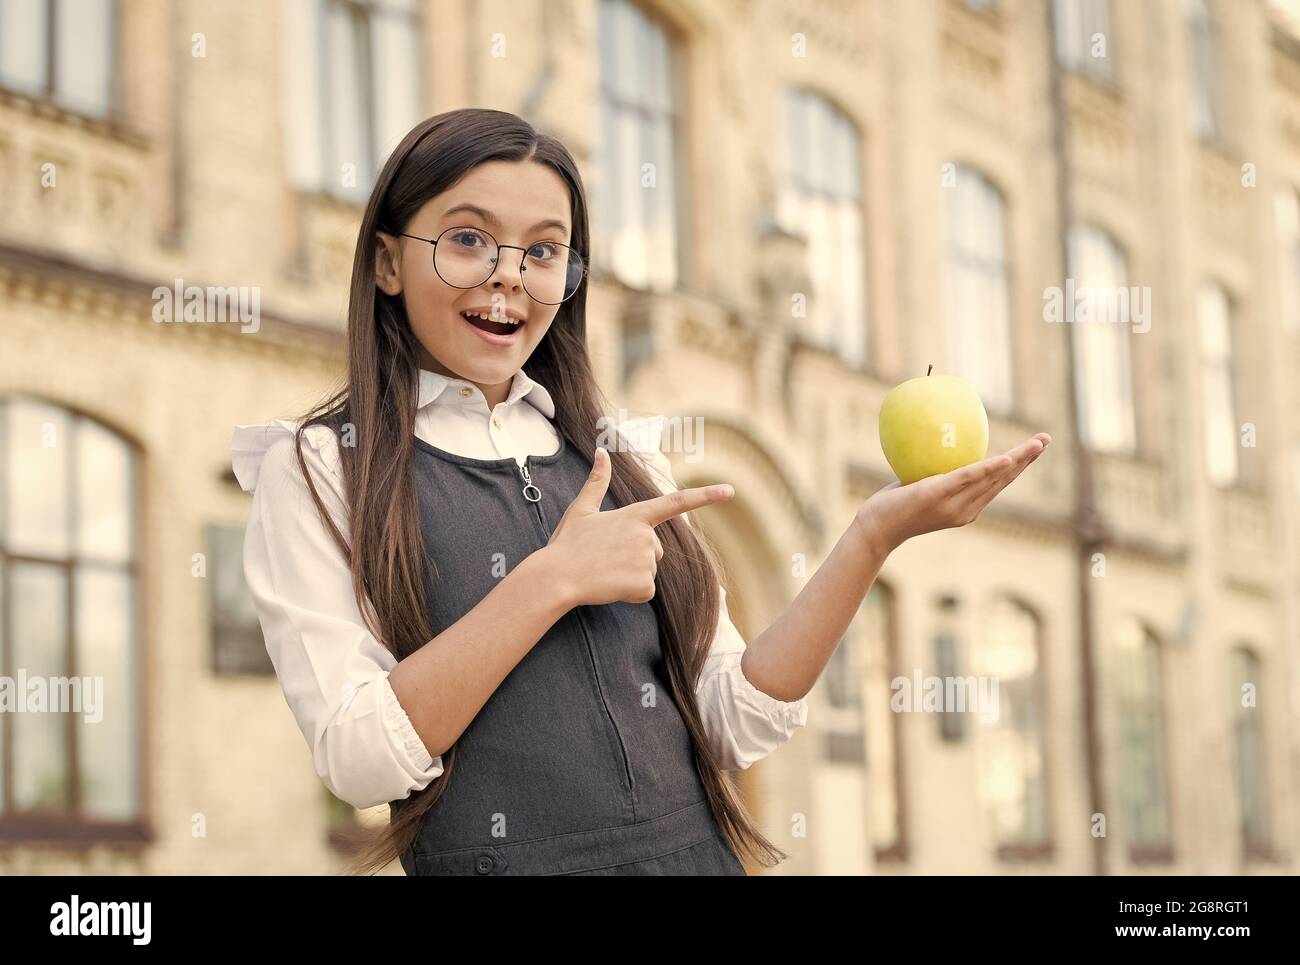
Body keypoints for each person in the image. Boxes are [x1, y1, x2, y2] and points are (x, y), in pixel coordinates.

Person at [230, 107, 1049, 876]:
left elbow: (733, 714)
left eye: (544, 251)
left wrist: (872, 536)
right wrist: (551, 580)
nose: (509, 278)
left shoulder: (620, 450)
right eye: (469, 238)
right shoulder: (318, 469)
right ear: (385, 262)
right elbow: (357, 752)